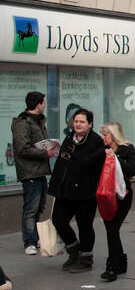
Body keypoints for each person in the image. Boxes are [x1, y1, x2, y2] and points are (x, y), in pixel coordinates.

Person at [48, 108, 106, 272]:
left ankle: (86, 258)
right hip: (64, 190)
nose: (78, 125)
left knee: (85, 226)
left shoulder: (96, 141)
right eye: (76, 121)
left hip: (85, 193)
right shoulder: (69, 138)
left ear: (90, 124)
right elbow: (62, 163)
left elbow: (91, 164)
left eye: (82, 122)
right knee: (58, 221)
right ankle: (74, 251)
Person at [12, 90, 57, 255]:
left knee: (39, 206)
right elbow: (22, 148)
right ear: (38, 105)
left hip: (40, 171)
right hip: (30, 172)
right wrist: (45, 153)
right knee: (30, 207)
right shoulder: (22, 123)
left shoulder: (38, 121)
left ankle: (34, 236)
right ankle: (29, 241)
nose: (45, 105)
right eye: (43, 103)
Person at [98, 122, 135, 281]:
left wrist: (114, 158)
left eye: (105, 134)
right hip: (106, 195)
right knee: (111, 229)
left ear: (114, 135)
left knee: (113, 229)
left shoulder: (127, 149)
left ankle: (113, 267)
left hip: (123, 195)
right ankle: (120, 262)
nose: (103, 138)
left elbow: (132, 169)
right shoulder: (102, 151)